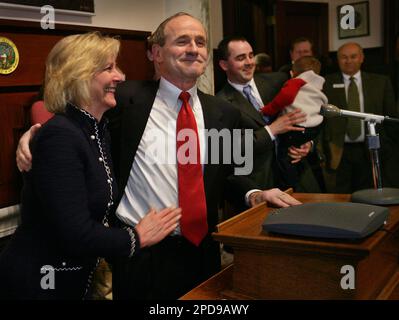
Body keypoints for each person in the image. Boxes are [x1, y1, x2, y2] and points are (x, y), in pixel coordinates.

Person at [16, 13, 301, 300]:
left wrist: (254, 194)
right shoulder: (122, 99)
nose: (193, 48)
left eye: (200, 42)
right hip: (142, 255)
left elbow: (225, 174)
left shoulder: (224, 113)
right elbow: (66, 95)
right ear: (156, 53)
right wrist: (35, 134)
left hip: (203, 251)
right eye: (182, 41)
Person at [0, 32, 181, 300]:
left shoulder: (97, 129)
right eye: (109, 68)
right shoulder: (61, 134)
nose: (120, 76)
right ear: (79, 76)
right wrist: (136, 237)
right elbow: (74, 232)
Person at [217, 35, 321, 197]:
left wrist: (308, 142)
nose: (249, 62)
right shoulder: (220, 103)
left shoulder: (279, 80)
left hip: (300, 176)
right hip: (261, 185)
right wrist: (271, 130)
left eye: (251, 56)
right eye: (240, 58)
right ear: (224, 65)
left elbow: (313, 109)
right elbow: (231, 150)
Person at [320, 42, 397, 193]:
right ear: (338, 59)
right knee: (341, 196)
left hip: (371, 150)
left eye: (353, 56)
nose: (348, 61)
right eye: (344, 57)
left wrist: (389, 145)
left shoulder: (381, 82)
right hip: (338, 150)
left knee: (370, 194)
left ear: (361, 58)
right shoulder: (326, 83)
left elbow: (391, 117)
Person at [260, 56, 327, 189]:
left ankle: (289, 186)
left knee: (285, 157)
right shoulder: (318, 85)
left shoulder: (296, 81)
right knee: (293, 154)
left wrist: (267, 110)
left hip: (295, 128)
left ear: (292, 73)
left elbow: (285, 97)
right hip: (313, 127)